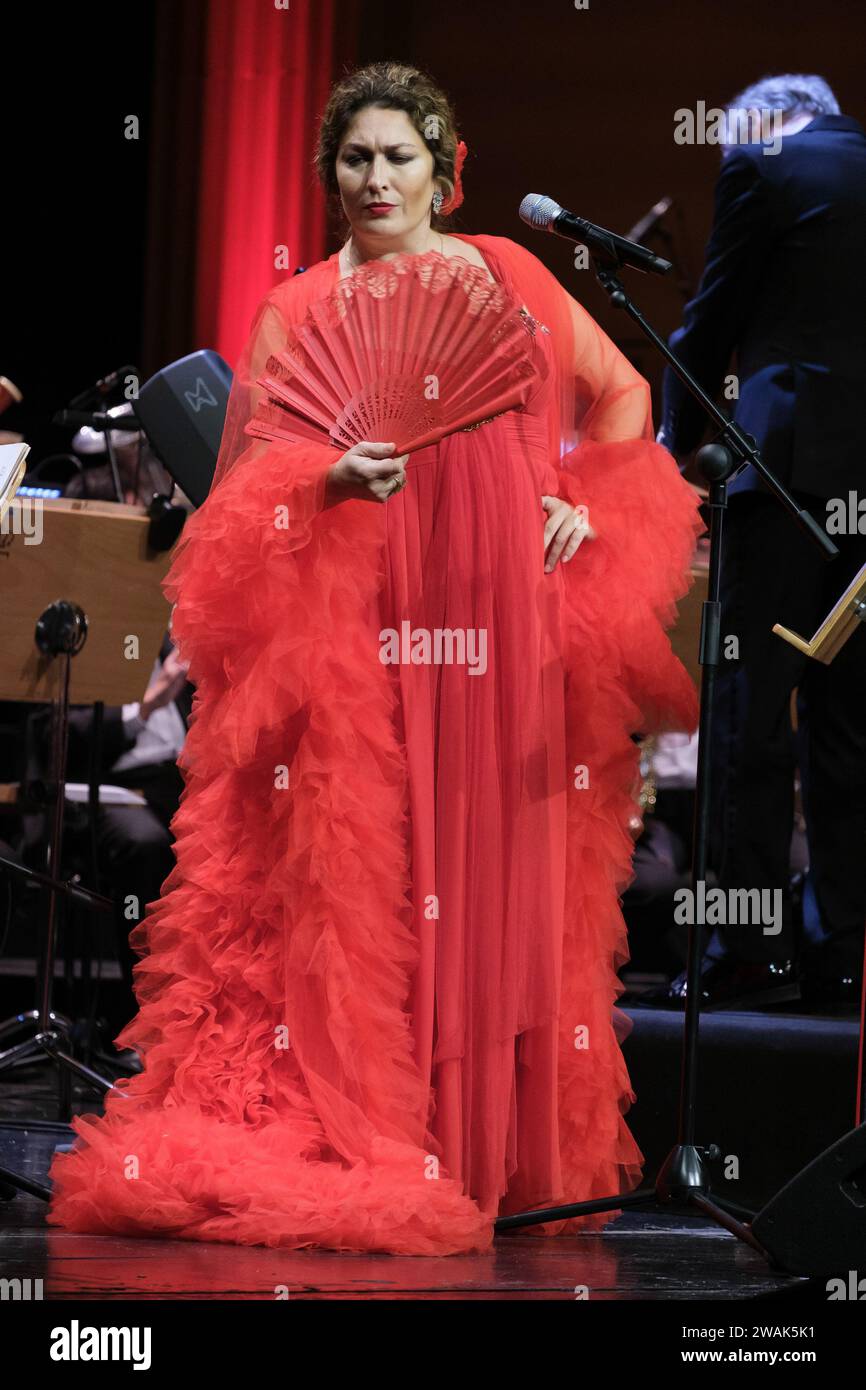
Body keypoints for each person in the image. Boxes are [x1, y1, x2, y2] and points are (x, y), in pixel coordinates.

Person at [48, 62, 701, 1256]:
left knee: (487, 858)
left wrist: (587, 507)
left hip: (497, 613)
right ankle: (384, 1130)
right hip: (363, 628)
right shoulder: (297, 311)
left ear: (443, 168)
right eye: (354, 158)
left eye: (398, 156)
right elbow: (238, 504)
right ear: (328, 176)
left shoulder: (507, 274)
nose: (376, 179)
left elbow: (623, 397)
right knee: (372, 872)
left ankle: (484, 1149)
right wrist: (329, 479)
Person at [659, 74, 866, 1010]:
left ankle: (745, 948)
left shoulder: (762, 162)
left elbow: (712, 323)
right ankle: (841, 950)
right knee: (851, 725)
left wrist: (671, 449)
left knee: (749, 716)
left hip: (785, 480)